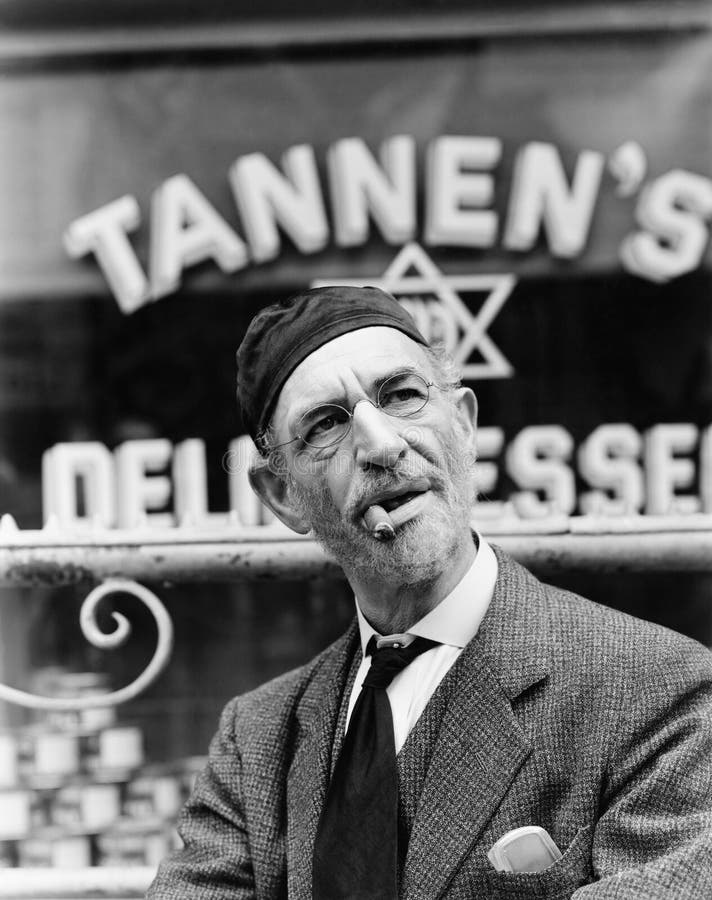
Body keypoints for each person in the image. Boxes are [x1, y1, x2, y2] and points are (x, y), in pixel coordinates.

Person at [147, 286, 712, 899]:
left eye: (402, 395)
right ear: (283, 496)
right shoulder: (257, 739)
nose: (383, 445)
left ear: (464, 425)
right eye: (326, 424)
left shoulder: (655, 691)